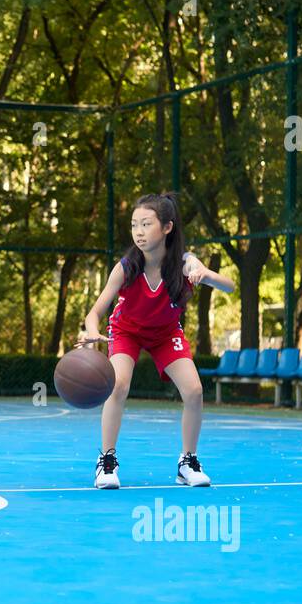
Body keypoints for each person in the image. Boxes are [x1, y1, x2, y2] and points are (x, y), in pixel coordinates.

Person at [79, 191, 235, 489]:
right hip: (127, 331)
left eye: (146, 224)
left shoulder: (186, 264)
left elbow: (229, 287)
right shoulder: (126, 267)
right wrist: (89, 331)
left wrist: (205, 273)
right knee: (119, 384)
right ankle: (107, 461)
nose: (138, 232)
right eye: (135, 225)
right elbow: (95, 312)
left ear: (167, 227)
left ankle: (187, 463)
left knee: (194, 391)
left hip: (165, 333)